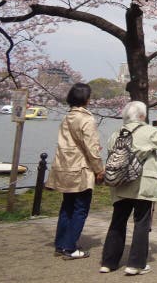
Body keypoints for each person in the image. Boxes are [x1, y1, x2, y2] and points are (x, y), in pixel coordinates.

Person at [100, 101, 157, 274]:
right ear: (142, 116)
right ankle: (135, 264)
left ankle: (108, 262)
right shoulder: (149, 131)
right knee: (141, 222)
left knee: (118, 221)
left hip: (120, 183)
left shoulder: (116, 134)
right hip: (142, 183)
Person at [46, 82, 105, 260]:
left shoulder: (67, 118)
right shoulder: (87, 119)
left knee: (67, 207)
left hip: (65, 167)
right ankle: (70, 248)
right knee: (80, 209)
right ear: (86, 99)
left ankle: (60, 244)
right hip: (80, 169)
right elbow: (91, 148)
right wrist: (99, 170)